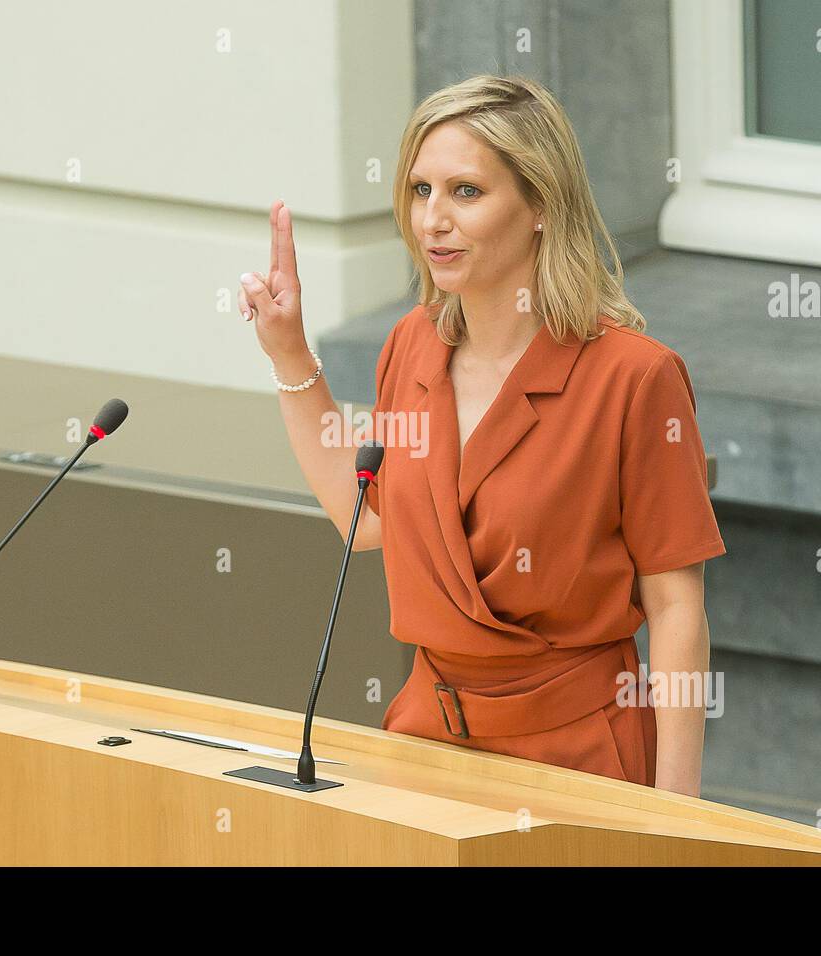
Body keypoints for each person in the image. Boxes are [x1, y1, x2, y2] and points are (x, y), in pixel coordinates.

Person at [238, 74, 725, 796]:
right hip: (425, 751)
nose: (433, 219)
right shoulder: (412, 345)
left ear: (538, 206)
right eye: (419, 190)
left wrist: (678, 817)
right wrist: (289, 355)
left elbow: (676, 608)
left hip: (581, 760)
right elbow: (364, 518)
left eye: (466, 192)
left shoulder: (634, 378)